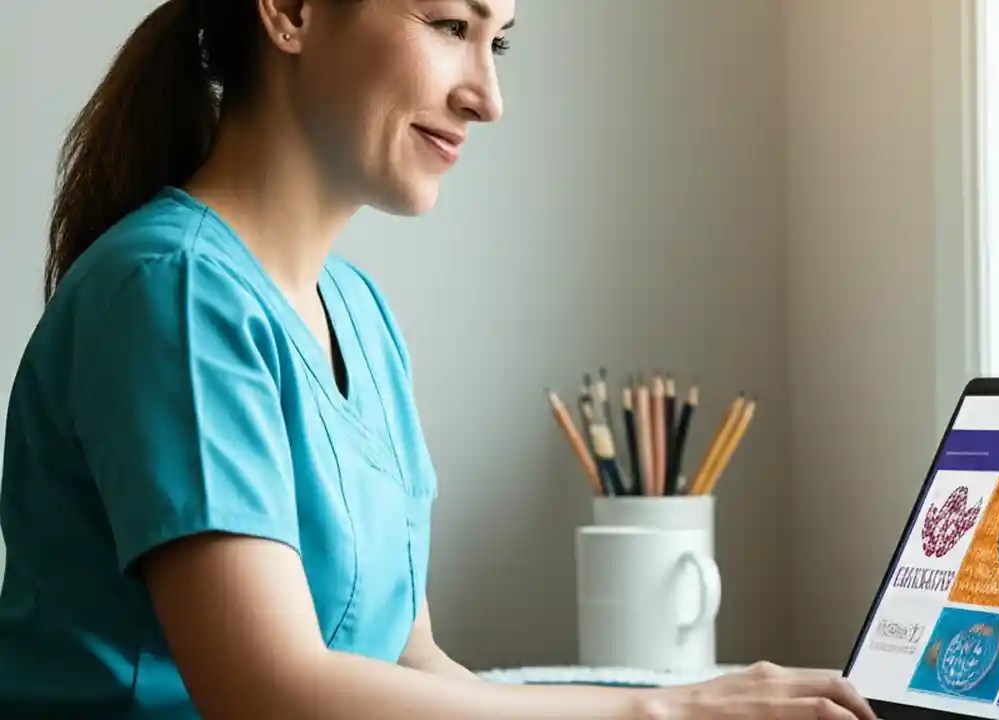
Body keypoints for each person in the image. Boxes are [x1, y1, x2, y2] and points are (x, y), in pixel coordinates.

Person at [0, 1, 876, 718]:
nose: (487, 98)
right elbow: (268, 692)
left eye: (499, 42)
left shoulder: (361, 315)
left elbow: (411, 664)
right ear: (291, 12)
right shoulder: (174, 289)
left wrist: (689, 702)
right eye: (451, 26)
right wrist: (660, 712)